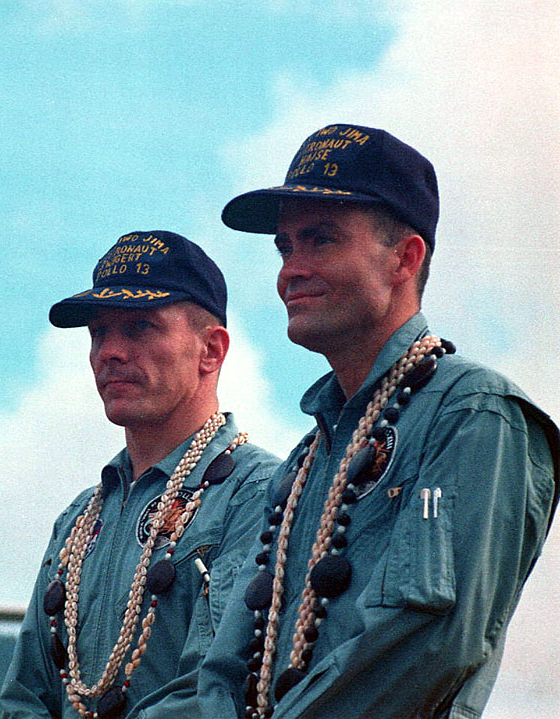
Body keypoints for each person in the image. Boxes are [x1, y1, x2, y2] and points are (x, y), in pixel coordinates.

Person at [198, 124, 560, 719]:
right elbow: (224, 669)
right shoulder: (303, 462)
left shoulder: (474, 415)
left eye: (321, 241)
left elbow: (429, 646)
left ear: (404, 258)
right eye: (286, 248)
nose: (293, 270)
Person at [0, 231, 280, 719]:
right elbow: (27, 695)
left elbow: (218, 690)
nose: (109, 351)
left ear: (211, 350)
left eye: (140, 328)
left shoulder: (264, 492)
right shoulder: (79, 520)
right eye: (99, 333)